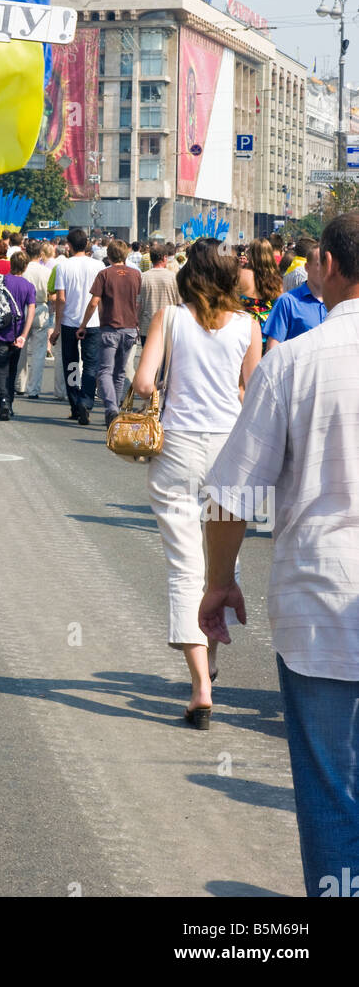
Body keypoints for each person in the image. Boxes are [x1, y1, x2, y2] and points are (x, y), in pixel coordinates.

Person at [200, 213, 359, 895]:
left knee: (331, 794)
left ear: (324, 262)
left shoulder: (295, 363)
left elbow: (233, 496)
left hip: (322, 606)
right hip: (321, 606)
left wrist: (218, 581)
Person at [133, 238, 261, 725]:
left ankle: (201, 684)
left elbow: (144, 384)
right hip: (230, 450)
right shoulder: (248, 326)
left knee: (184, 566)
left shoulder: (171, 319)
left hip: (178, 448)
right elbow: (252, 393)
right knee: (221, 564)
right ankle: (215, 661)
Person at [77, 239, 142, 428]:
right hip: (130, 328)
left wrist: (83, 325)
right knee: (120, 372)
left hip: (109, 327)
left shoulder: (104, 274)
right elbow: (138, 301)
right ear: (126, 254)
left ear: (109, 256)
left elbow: (94, 302)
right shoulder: (136, 275)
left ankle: (111, 407)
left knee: (105, 370)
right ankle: (116, 409)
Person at [50, 228, 102, 425]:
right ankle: (87, 400)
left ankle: (74, 404)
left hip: (69, 321)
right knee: (90, 364)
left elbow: (61, 299)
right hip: (93, 321)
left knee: (71, 363)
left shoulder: (63, 267)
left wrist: (56, 328)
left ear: (68, 246)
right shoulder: (98, 265)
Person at [0, 250, 36, 421]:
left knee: (0, 369)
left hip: (0, 330)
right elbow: (30, 311)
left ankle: (2, 400)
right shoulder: (28, 286)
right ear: (25, 266)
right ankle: (9, 403)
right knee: (12, 369)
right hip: (17, 332)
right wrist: (24, 334)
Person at [263, 242, 327, 349]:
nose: (324, 269)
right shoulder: (287, 302)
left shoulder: (339, 302)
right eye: (318, 264)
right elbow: (273, 348)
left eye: (327, 265)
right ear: (306, 267)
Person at [16, 242, 51, 399]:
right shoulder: (46, 271)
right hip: (41, 308)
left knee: (20, 349)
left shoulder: (23, 271)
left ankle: (19, 384)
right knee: (38, 352)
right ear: (41, 254)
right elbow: (51, 293)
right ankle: (33, 388)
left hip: (22, 308)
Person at [237, 238, 282, 346]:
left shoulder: (242, 275)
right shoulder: (278, 281)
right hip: (269, 332)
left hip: (245, 330)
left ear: (251, 254)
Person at [137, 242, 180, 347]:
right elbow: (180, 304)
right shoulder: (174, 278)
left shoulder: (143, 277)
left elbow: (138, 304)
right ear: (165, 258)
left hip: (147, 326)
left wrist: (136, 322)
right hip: (168, 325)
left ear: (151, 258)